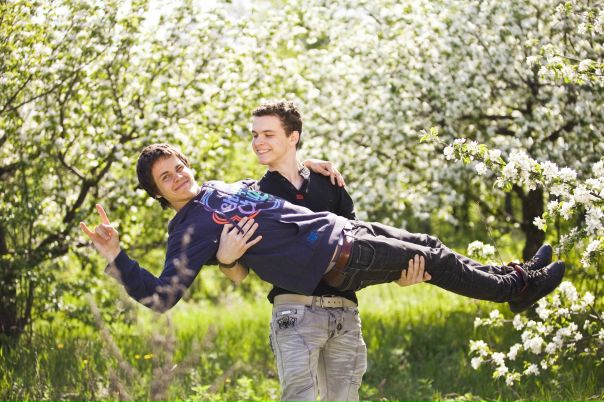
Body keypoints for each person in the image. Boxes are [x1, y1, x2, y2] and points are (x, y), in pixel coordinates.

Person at [80, 141, 564, 319]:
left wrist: (304, 164)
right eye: (166, 177)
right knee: (433, 261)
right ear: (157, 192)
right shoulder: (187, 230)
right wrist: (115, 256)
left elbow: (271, 188)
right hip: (335, 256)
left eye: (179, 166)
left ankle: (512, 276)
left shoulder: (220, 189)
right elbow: (161, 297)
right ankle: (516, 290)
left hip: (342, 229)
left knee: (430, 245)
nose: (178, 176)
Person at [210, 100, 430, 402]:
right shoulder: (254, 198)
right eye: (255, 135)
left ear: (293, 137)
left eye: (268, 134)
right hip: (294, 314)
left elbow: (361, 247)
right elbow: (238, 275)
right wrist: (225, 260)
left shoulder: (330, 183)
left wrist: (397, 275)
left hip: (346, 313)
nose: (258, 142)